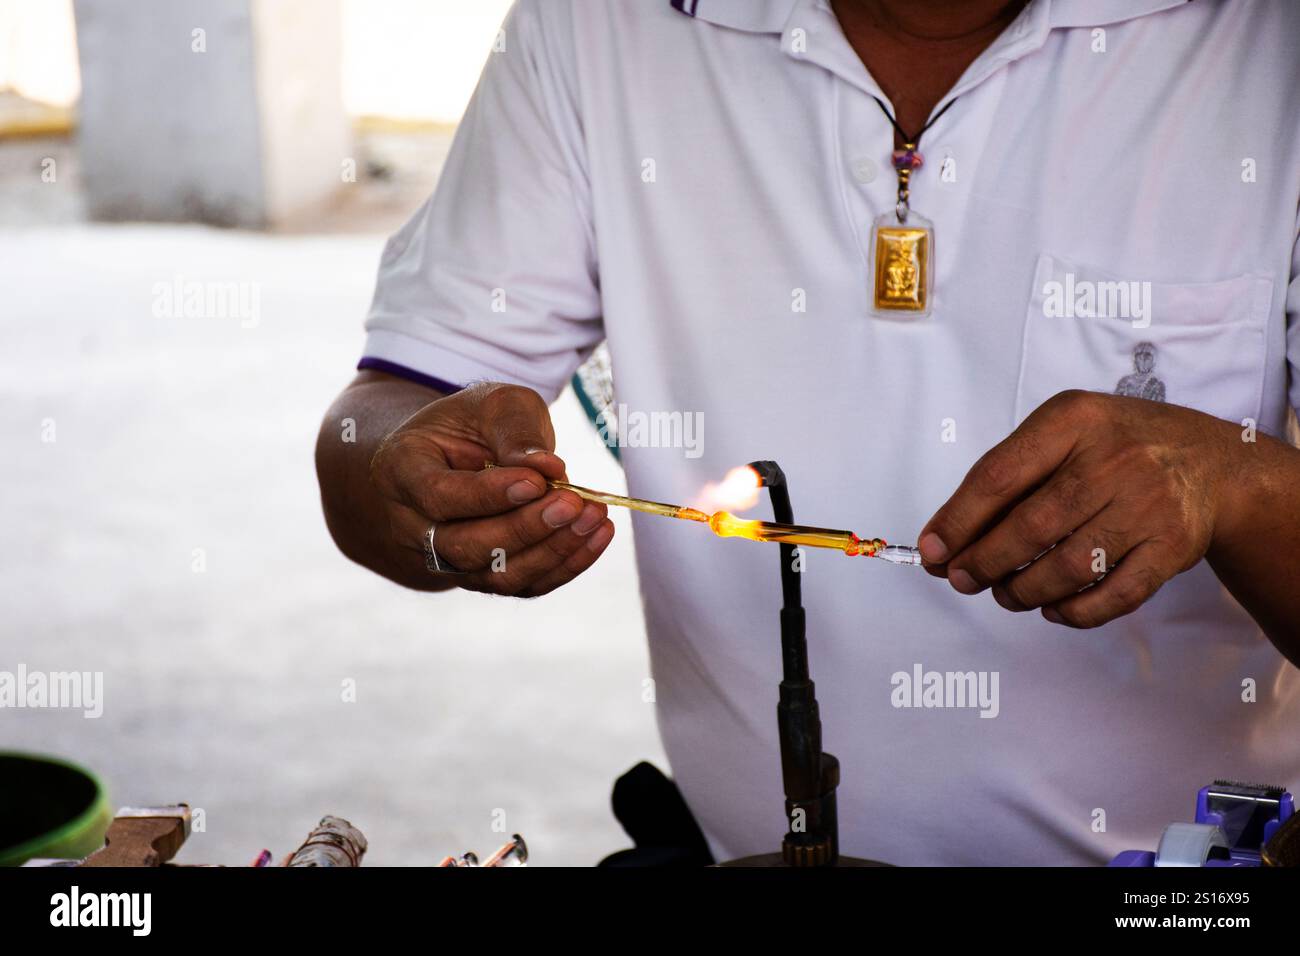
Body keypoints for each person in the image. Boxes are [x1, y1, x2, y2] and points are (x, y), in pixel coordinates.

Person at [316, 0, 1300, 864]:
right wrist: (404, 472)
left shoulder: (1269, 46)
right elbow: (380, 414)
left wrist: (1237, 483)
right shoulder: (595, 25)